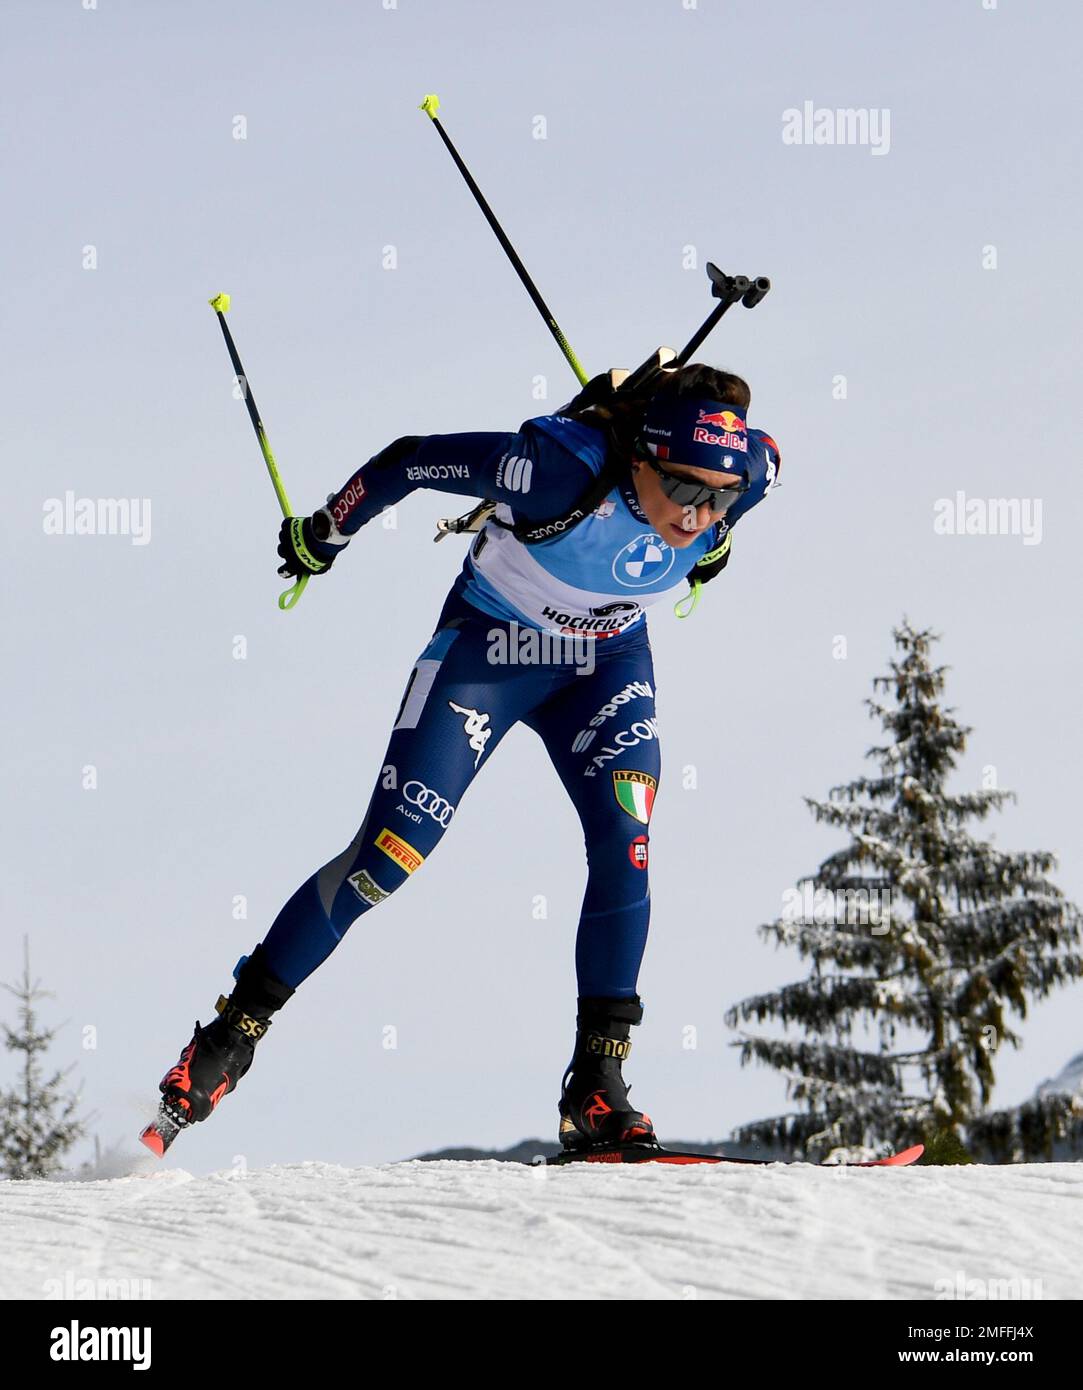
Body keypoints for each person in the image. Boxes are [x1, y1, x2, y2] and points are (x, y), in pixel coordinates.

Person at [151, 363, 781, 1153]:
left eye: (719, 498)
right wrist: (325, 532)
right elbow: (411, 458)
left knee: (628, 842)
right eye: (686, 493)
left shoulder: (748, 470)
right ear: (640, 461)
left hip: (605, 664)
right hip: (491, 652)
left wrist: (718, 538)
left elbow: (745, 487)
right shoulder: (557, 470)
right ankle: (227, 1038)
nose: (699, 516)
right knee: (390, 854)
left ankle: (596, 1087)